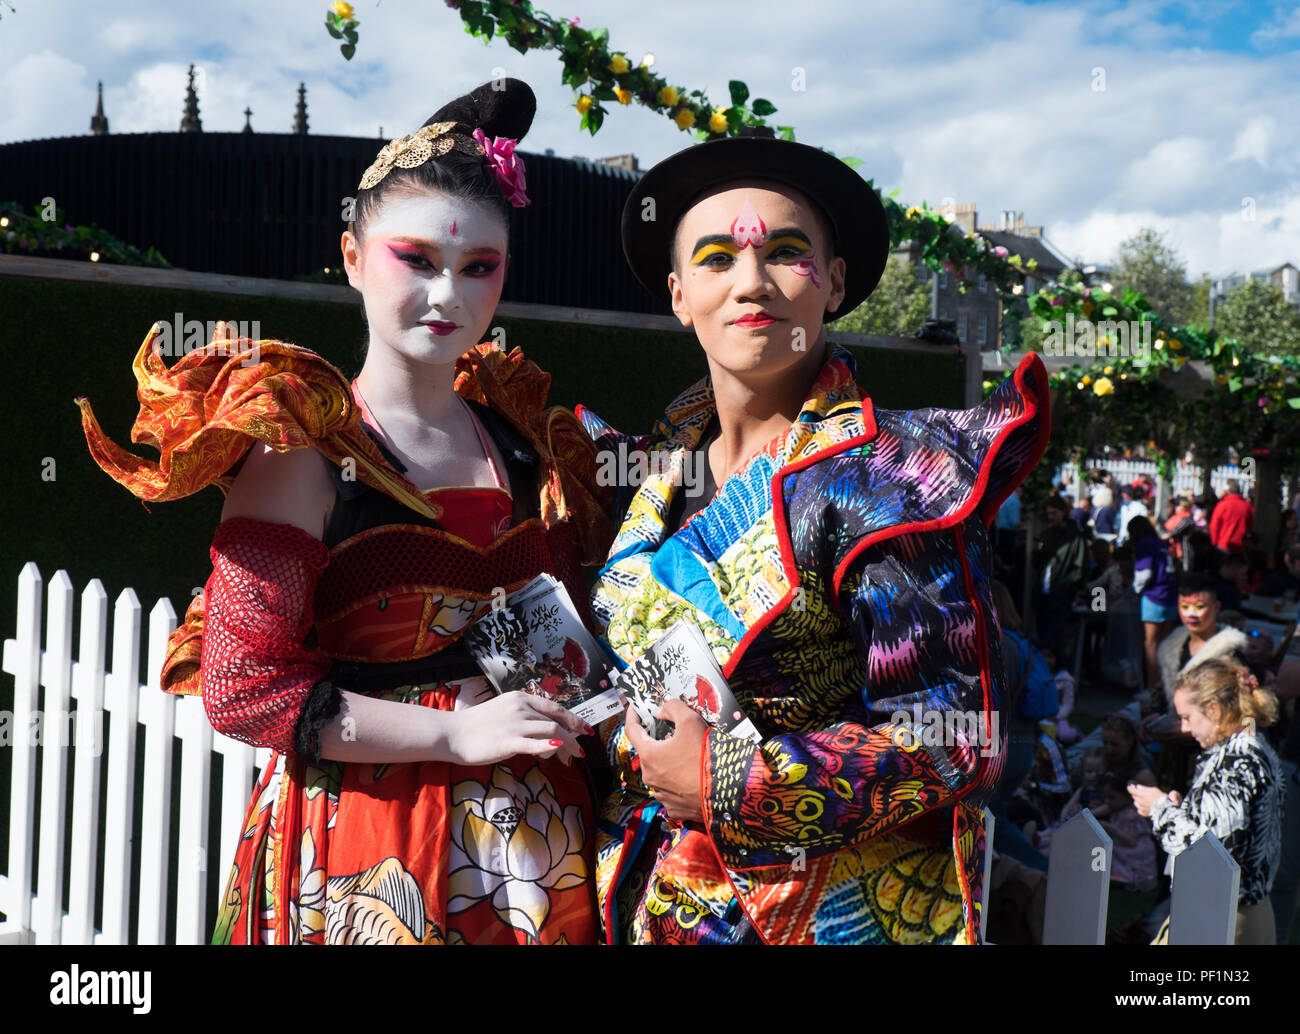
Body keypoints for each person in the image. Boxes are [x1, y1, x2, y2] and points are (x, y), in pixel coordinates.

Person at [77, 80, 614, 945]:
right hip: (366, 847)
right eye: (418, 260)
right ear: (353, 257)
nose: (449, 296)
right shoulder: (304, 447)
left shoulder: (524, 433)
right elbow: (242, 689)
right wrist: (454, 736)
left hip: (542, 849)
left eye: (479, 267)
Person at [575, 127, 1050, 944]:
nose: (750, 282)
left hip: (827, 919)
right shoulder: (653, 472)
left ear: (832, 283)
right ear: (679, 294)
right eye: (716, 258)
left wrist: (727, 780)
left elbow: (957, 734)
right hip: (649, 902)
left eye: (786, 254)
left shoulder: (888, 477)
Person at [1131, 658, 1284, 944]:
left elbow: (1212, 858)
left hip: (1221, 919)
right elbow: (1226, 833)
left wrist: (1160, 810)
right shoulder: (1252, 749)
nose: (1185, 728)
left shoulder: (1234, 765)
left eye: (1188, 717)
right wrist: (1181, 811)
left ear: (1213, 709)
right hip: (1244, 912)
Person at [1034, 495, 1090, 662]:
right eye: (1048, 514)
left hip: (1061, 596)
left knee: (1055, 641)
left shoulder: (1075, 537)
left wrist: (1066, 587)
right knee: (1043, 639)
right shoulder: (1047, 534)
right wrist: (1039, 551)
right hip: (1043, 594)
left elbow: (1080, 569)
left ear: (1063, 512)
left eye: (1054, 513)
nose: (1051, 517)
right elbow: (1036, 563)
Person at [1130, 515, 1179, 696]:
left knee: (1150, 646)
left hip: (1154, 596)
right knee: (1164, 645)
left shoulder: (1144, 545)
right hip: (1170, 596)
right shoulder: (1160, 543)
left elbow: (1144, 573)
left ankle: (1152, 690)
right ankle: (1163, 689)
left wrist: (1134, 590)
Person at [1209, 478, 1255, 554]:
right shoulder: (1247, 506)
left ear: (1228, 491)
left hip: (1223, 545)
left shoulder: (1222, 505)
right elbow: (1251, 526)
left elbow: (1214, 526)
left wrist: (1214, 542)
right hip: (1242, 546)